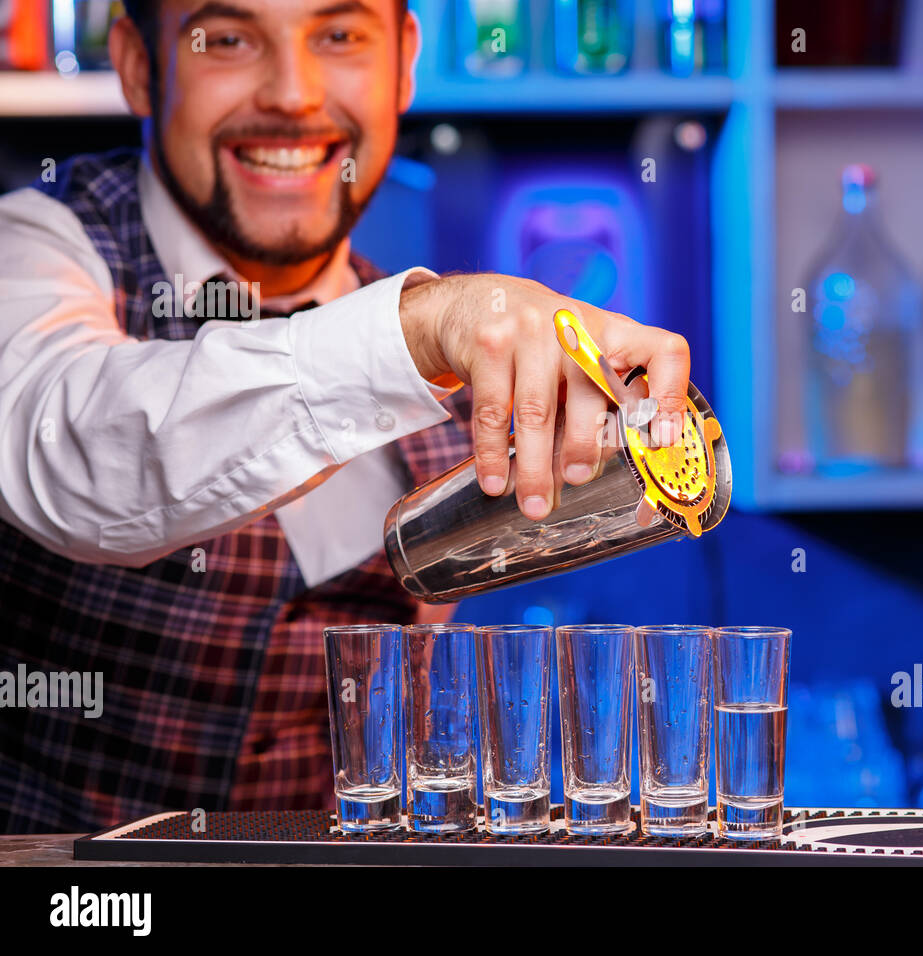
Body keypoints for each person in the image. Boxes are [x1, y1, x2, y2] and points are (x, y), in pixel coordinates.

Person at [0, 0, 690, 833]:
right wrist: (417, 329)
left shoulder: (449, 365)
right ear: (140, 65)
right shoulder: (36, 249)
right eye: (226, 38)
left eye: (339, 35)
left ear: (403, 63)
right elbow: (65, 447)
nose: (293, 94)